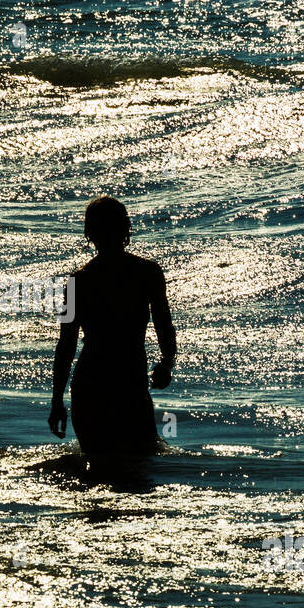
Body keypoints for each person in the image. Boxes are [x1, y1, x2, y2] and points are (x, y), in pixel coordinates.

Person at [49, 196, 177, 470]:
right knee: (139, 469)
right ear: (125, 229)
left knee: (100, 471)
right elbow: (164, 325)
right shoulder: (146, 273)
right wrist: (166, 362)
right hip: (122, 383)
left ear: (89, 234)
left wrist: (57, 400)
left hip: (98, 384)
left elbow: (66, 344)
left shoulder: (78, 281)